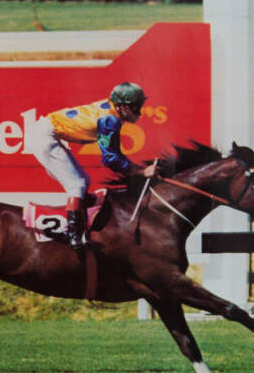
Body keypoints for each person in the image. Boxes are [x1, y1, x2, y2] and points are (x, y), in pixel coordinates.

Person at [28, 81, 157, 249]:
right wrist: (141, 171)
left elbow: (113, 155)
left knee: (84, 180)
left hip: (45, 131)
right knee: (76, 184)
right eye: (136, 107)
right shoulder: (110, 119)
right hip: (44, 136)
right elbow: (110, 159)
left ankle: (81, 211)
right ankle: (75, 236)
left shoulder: (112, 112)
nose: (139, 113)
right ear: (123, 107)